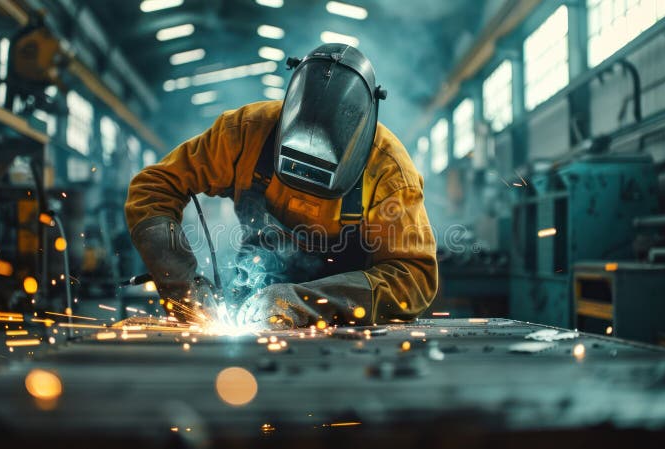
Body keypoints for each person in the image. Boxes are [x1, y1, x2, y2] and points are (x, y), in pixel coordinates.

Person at [125, 43, 437, 330]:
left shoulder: (389, 171)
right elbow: (153, 187)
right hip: (249, 310)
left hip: (346, 329)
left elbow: (414, 278)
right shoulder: (245, 133)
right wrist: (184, 287)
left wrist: (306, 301)